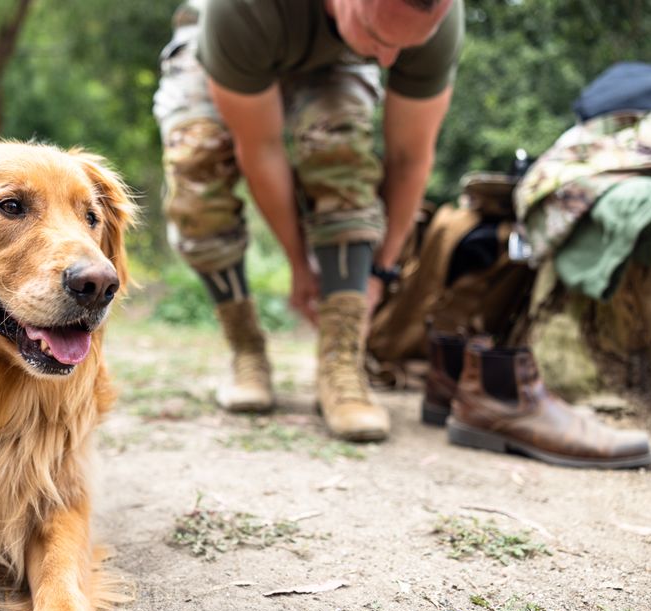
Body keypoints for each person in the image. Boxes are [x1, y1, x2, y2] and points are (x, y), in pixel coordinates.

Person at [153, 0, 464, 441]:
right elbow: (259, 147)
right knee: (196, 169)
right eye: (378, 37)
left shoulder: (433, 15)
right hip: (231, 40)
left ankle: (341, 362)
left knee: (342, 157)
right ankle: (246, 348)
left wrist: (380, 270)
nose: (388, 60)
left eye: (404, 45)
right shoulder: (241, 10)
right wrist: (299, 265)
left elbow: (410, 157)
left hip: (333, 54)